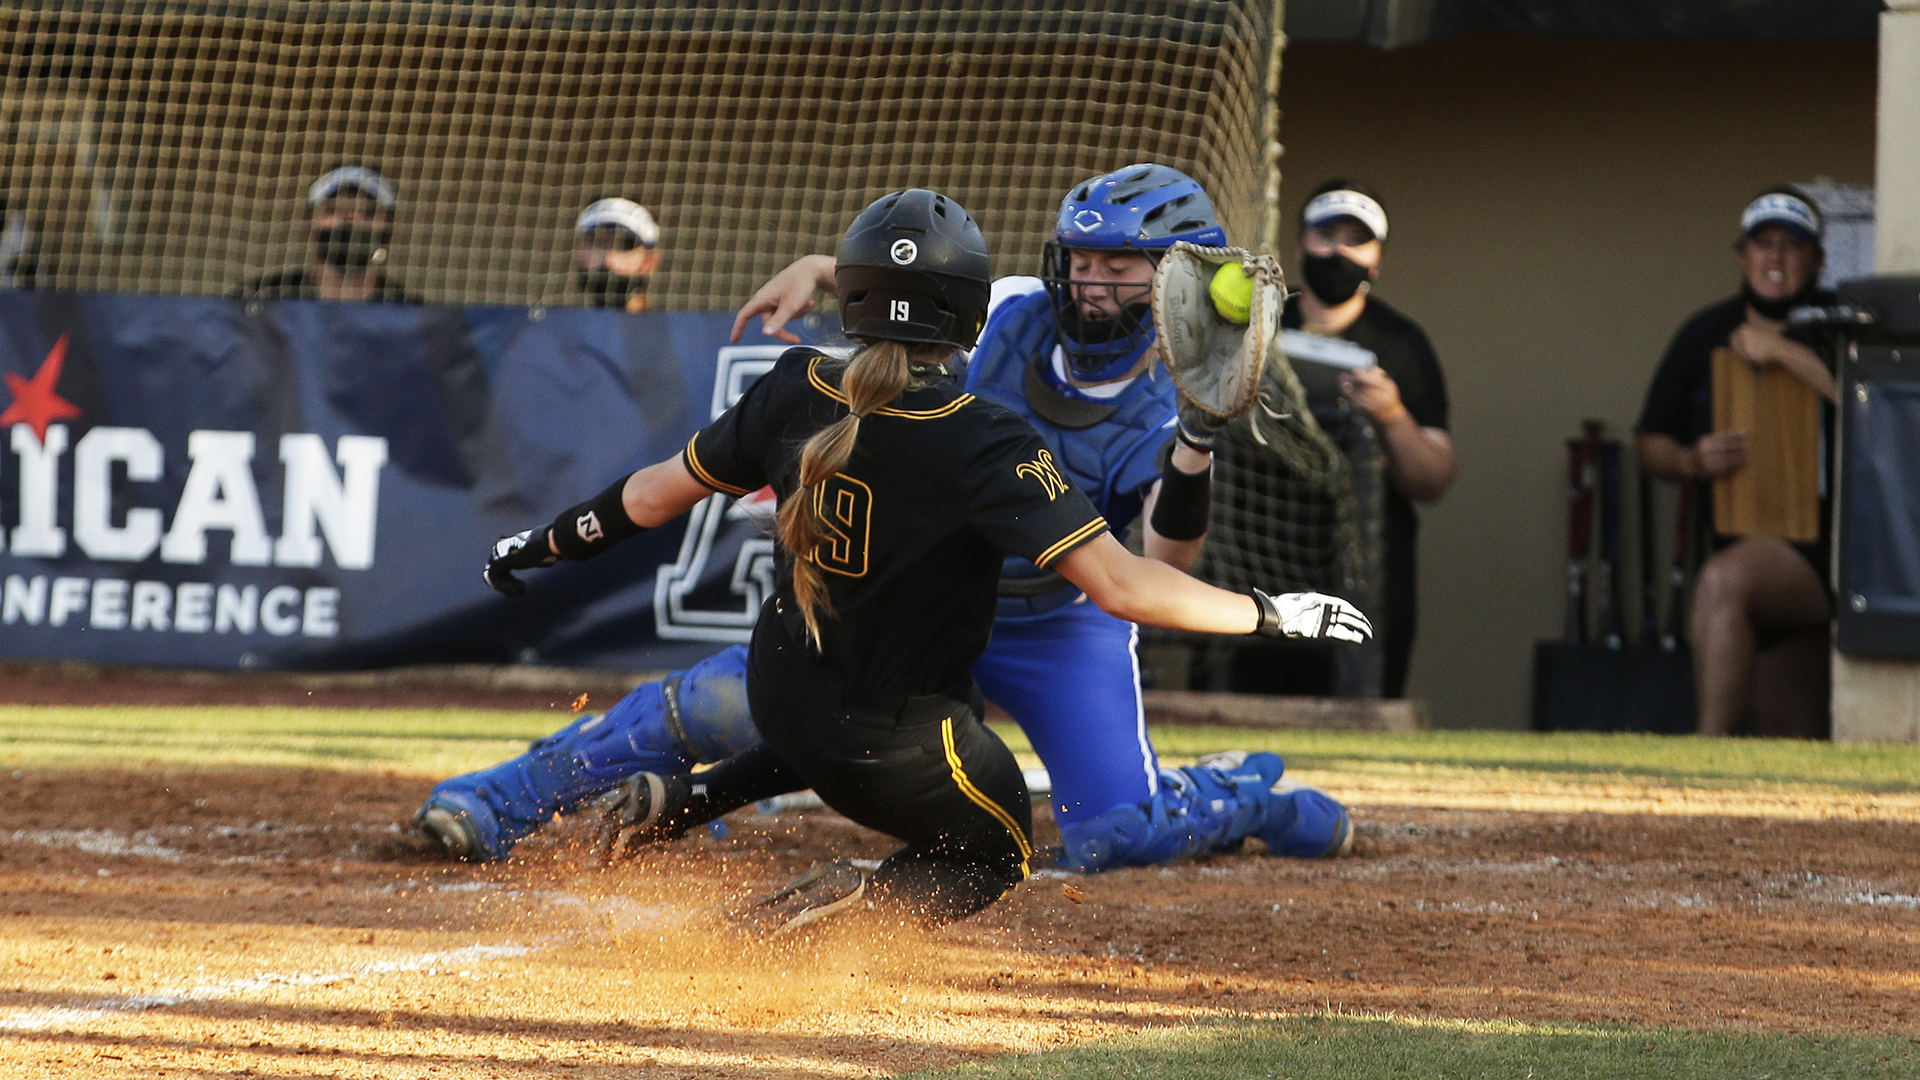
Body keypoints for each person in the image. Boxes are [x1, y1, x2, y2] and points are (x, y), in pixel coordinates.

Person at [454, 188, 1370, 932]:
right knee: (724, 705)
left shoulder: (1178, 401)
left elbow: (1161, 562)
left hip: (1055, 618)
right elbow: (920, 290)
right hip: (922, 598)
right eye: (1080, 259)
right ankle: (494, 799)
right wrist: (1276, 611)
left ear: (1180, 275)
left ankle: (1239, 797)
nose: (1089, 282)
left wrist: (1198, 443)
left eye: (1119, 266)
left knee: (1116, 829)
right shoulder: (1010, 315)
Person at [1237, 179, 1454, 698]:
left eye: (1356, 239)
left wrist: (1392, 414)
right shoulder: (1257, 326)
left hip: (1366, 573)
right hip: (1253, 562)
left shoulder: (1401, 344)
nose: (1338, 251)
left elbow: (1434, 478)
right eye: (1325, 234)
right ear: (1299, 247)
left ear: (1376, 259)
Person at [1635, 187, 1837, 737]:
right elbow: (1650, 440)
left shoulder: (1839, 326)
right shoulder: (1703, 332)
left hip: (1829, 554)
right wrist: (1690, 461)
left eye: (1792, 246)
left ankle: (1706, 754)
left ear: (1818, 259)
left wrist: (1784, 352)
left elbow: (1871, 399)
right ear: (1741, 256)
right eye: (1763, 244)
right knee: (1782, 738)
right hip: (1737, 533)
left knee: (1723, 583)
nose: (1775, 258)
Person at [233, 163, 420, 303]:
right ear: (308, 222)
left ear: (390, 227)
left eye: (368, 213)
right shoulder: (262, 299)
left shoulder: (408, 312)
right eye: (334, 210)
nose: (351, 220)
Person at [572, 197, 660, 312]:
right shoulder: (552, 327)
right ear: (579, 252)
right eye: (598, 242)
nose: (609, 258)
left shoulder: (681, 328)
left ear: (650, 260)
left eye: (627, 245)